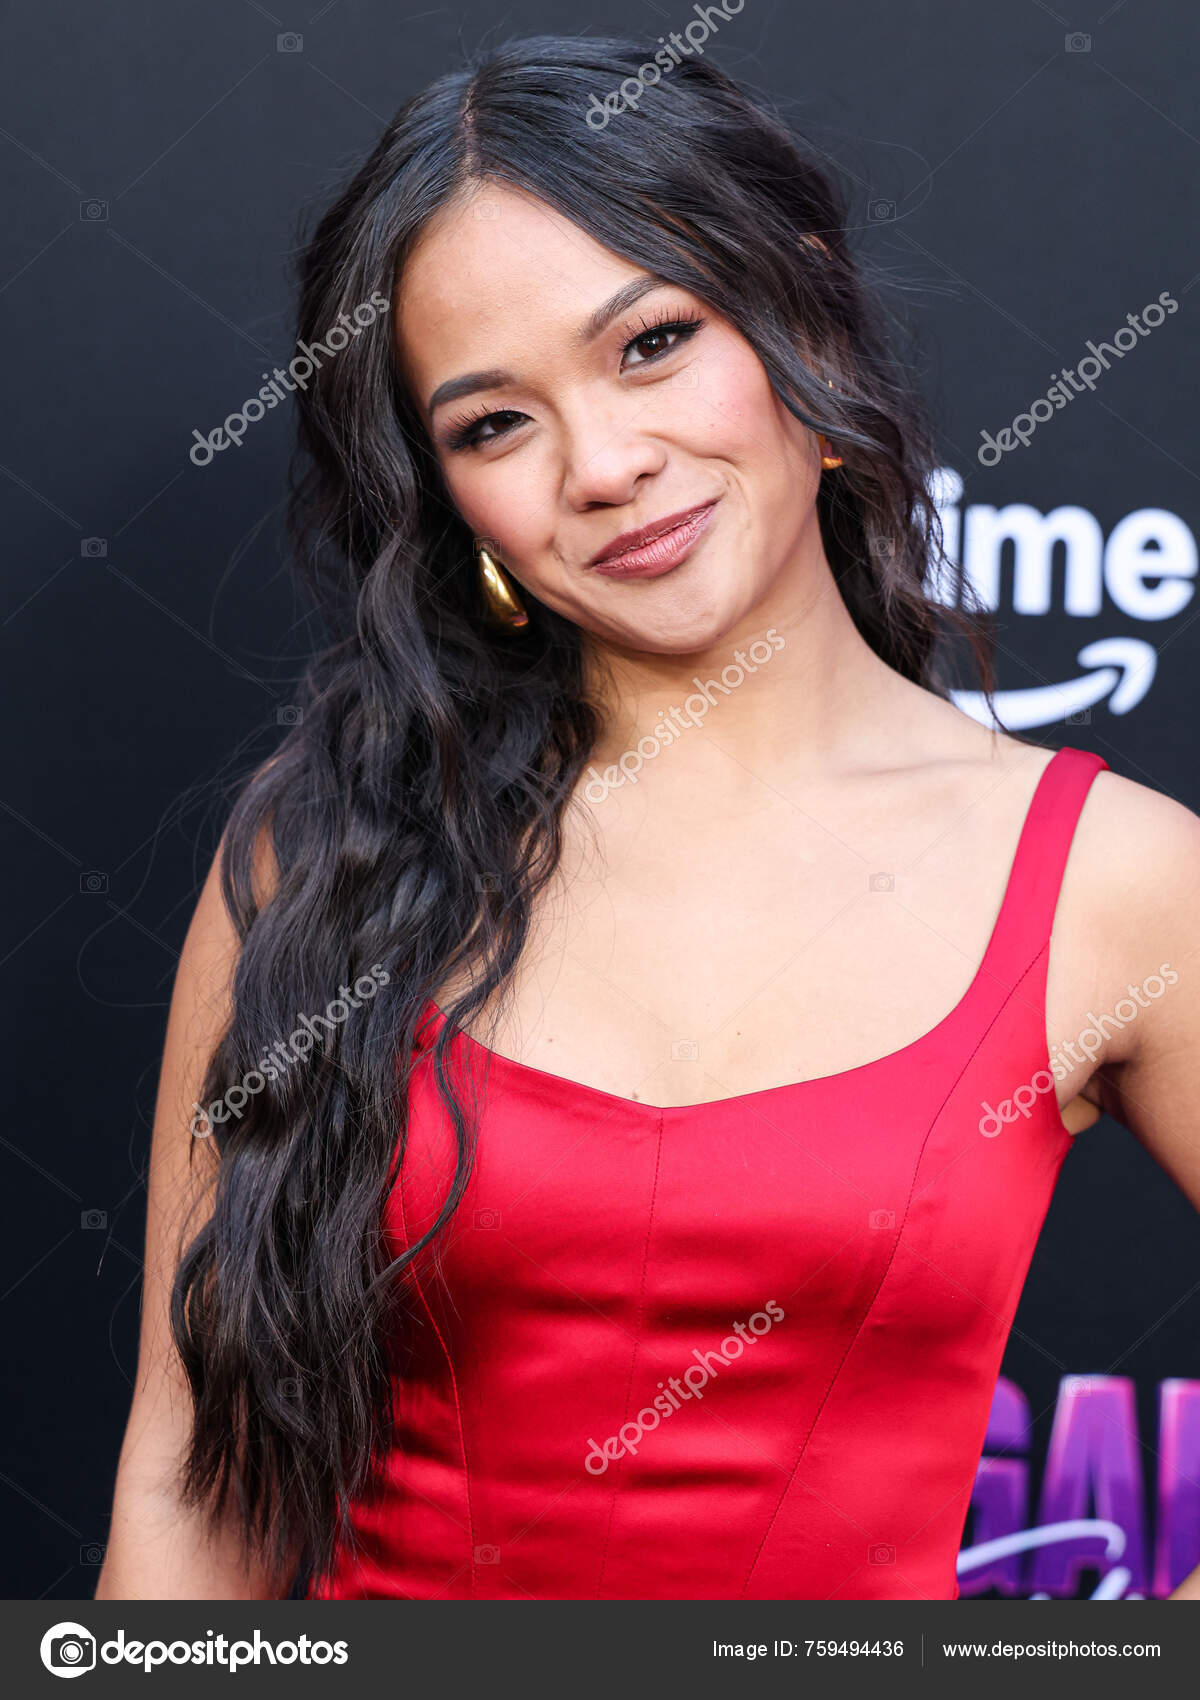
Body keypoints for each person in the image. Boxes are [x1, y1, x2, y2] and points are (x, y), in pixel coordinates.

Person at [96, 35, 1200, 1602]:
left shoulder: (1118, 882)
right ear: (447, 497)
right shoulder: (322, 857)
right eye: (494, 425)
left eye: (653, 342)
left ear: (800, 310)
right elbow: (191, 1481)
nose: (605, 465)